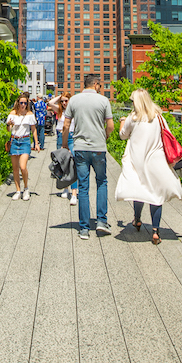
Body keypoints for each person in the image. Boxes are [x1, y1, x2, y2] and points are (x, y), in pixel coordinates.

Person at [114, 90, 182, 245]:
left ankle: (138, 220)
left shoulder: (132, 118)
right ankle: (155, 231)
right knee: (156, 195)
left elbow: (122, 135)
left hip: (137, 160)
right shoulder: (158, 117)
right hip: (156, 161)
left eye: (132, 100)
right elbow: (168, 134)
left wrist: (122, 122)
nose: (131, 103)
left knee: (139, 190)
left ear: (137, 102)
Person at [62, 73, 114, 240]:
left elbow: (66, 125)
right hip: (98, 148)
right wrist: (103, 137)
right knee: (101, 182)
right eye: (100, 85)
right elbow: (111, 126)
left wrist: (64, 145)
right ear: (96, 84)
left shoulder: (74, 100)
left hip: (80, 148)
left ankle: (84, 228)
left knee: (83, 187)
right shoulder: (103, 101)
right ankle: (101, 222)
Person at [7, 92, 36, 200]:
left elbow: (33, 129)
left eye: (25, 103)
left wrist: (36, 143)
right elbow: (8, 130)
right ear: (18, 103)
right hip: (14, 140)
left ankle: (26, 188)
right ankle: (18, 190)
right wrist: (8, 124)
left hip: (25, 141)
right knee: (15, 168)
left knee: (22, 167)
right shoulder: (12, 113)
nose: (23, 105)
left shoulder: (29, 114)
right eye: (21, 103)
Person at [49, 91, 77, 202]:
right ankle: (66, 188)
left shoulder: (75, 112)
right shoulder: (60, 111)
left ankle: (74, 193)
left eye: (66, 100)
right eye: (62, 101)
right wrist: (59, 97)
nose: (64, 103)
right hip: (60, 137)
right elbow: (50, 103)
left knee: (73, 164)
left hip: (71, 137)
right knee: (62, 164)